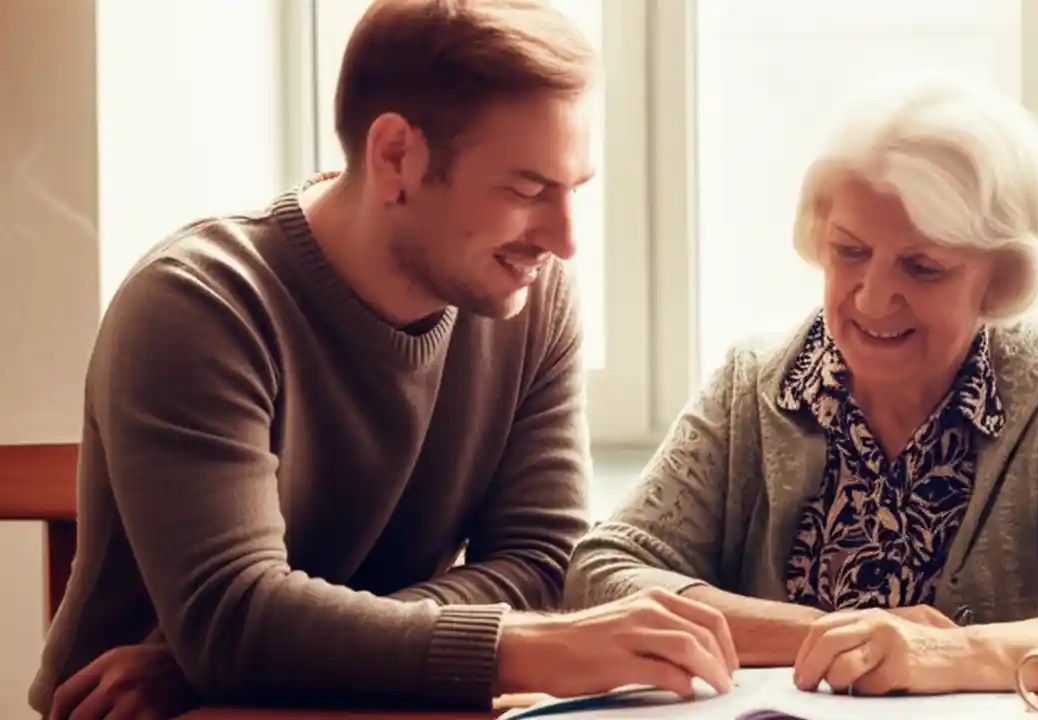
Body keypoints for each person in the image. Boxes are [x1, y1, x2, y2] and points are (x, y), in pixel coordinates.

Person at [32, 1, 737, 717]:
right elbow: (233, 616)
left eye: (574, 189)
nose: (563, 239)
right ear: (397, 156)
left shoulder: (534, 298)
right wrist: (528, 647)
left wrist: (256, 653)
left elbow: (539, 564)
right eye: (527, 190)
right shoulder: (198, 304)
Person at [563, 71, 1038, 695]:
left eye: (923, 267)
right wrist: (824, 638)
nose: (873, 298)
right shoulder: (752, 385)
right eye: (849, 251)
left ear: (998, 275)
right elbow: (601, 574)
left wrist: (951, 652)